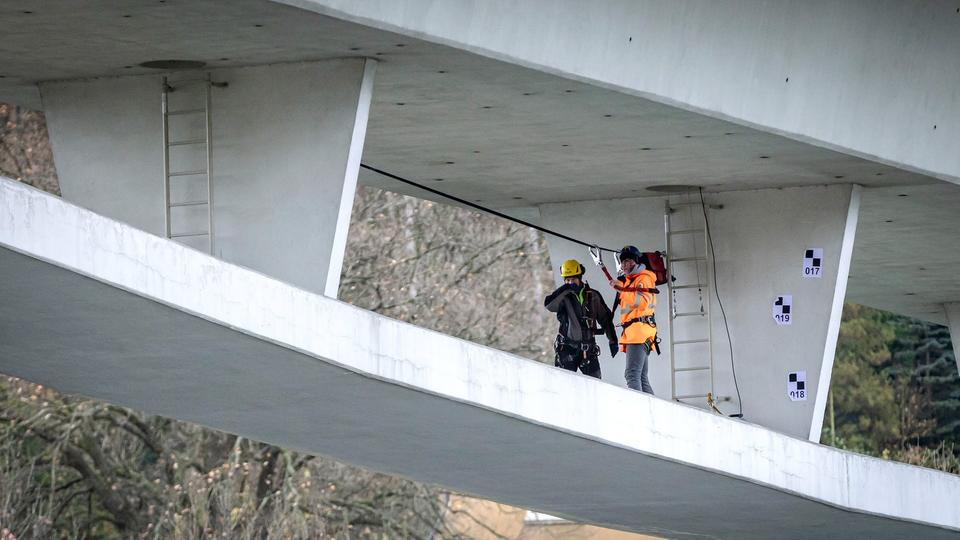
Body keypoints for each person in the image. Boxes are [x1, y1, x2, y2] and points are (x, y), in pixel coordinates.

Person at [544, 259, 618, 379]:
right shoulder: (563, 298)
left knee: (596, 386)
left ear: (580, 277)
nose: (570, 282)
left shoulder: (593, 296)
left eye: (573, 279)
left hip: (588, 350)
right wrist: (565, 289)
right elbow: (549, 305)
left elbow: (606, 319)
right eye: (567, 280)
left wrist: (613, 340)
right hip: (567, 349)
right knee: (564, 384)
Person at [608, 246, 658, 394]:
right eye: (622, 261)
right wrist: (623, 287)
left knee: (632, 374)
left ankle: (640, 410)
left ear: (635, 262)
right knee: (641, 376)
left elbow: (641, 302)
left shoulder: (643, 279)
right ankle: (652, 410)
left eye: (628, 261)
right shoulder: (633, 280)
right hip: (639, 331)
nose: (624, 264)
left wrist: (621, 290)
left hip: (639, 332)